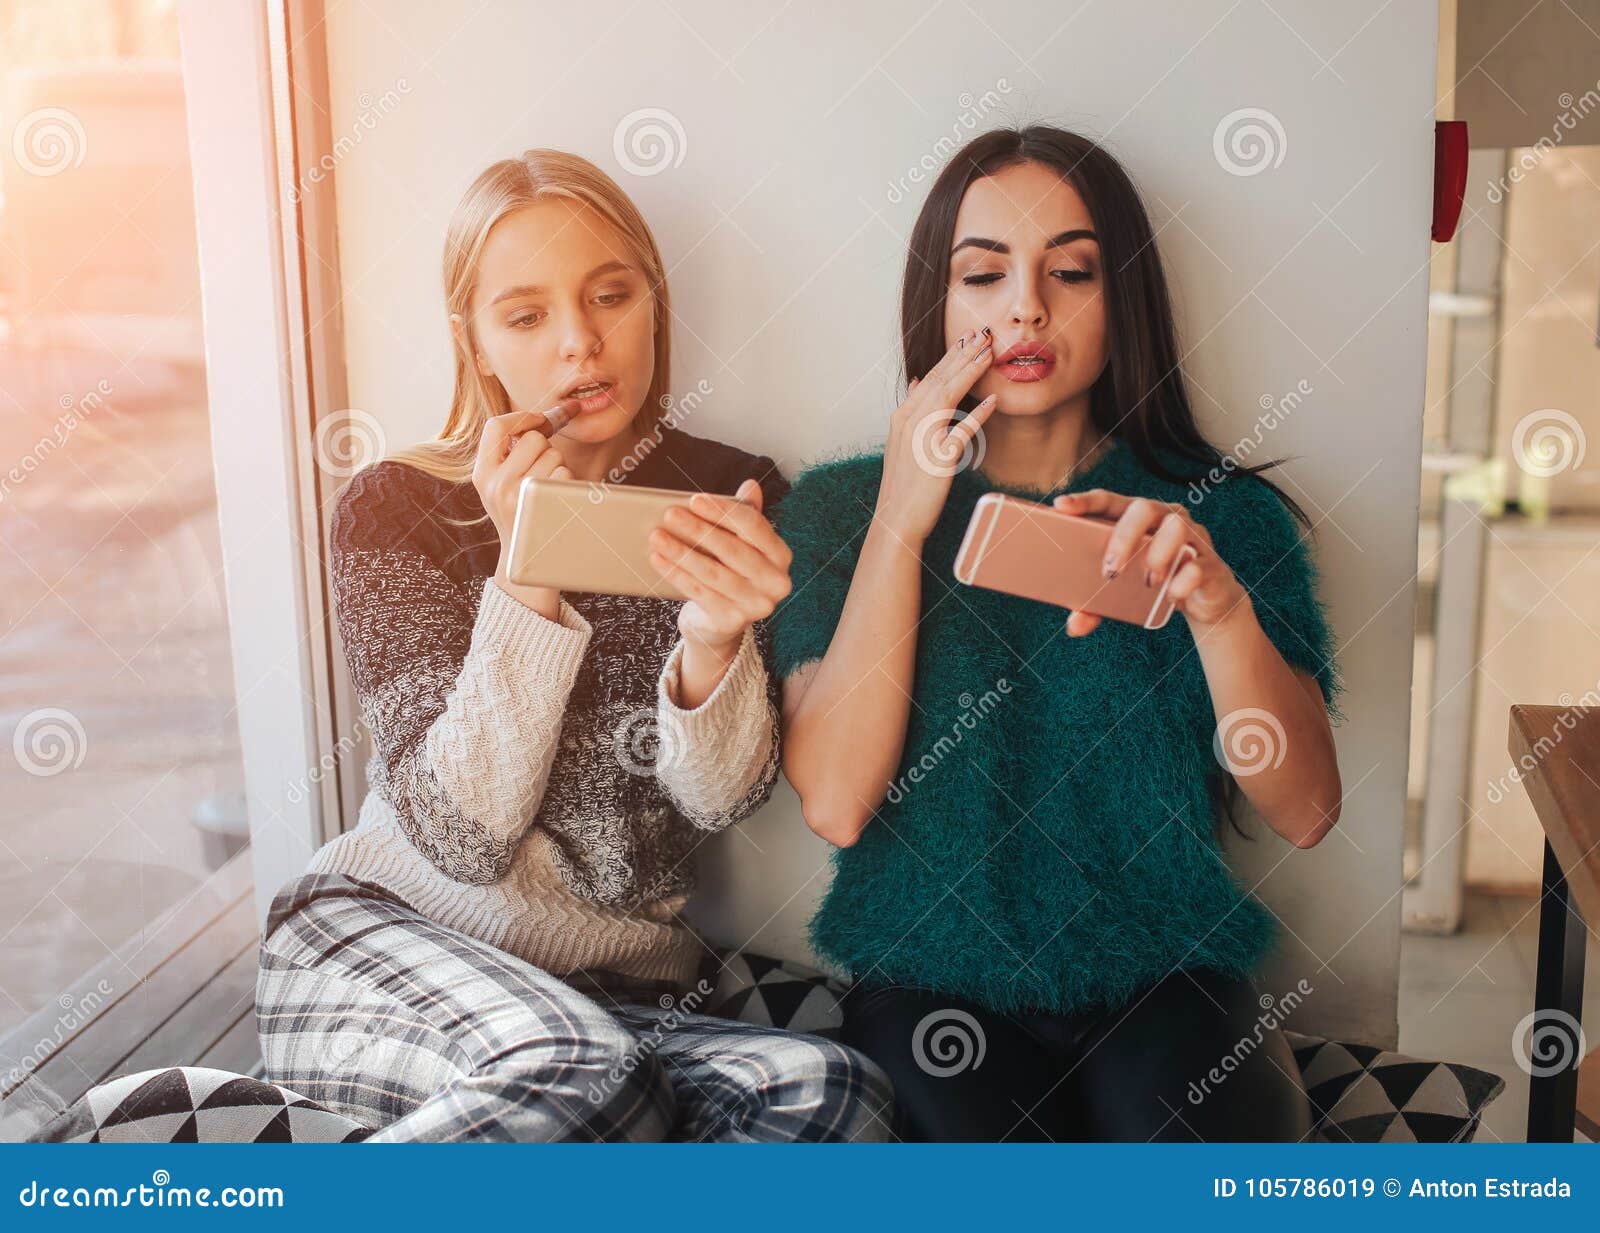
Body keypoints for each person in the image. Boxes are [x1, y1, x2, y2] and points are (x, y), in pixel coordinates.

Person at [255, 148, 891, 1143]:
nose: (580, 346)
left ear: (653, 302)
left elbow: (718, 798)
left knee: (830, 1094)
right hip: (387, 938)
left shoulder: (729, 493)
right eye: (526, 316)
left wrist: (715, 635)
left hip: (618, 995)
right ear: (473, 342)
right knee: (578, 1081)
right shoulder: (394, 508)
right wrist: (527, 567)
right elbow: (463, 838)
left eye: (610, 296)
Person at [774, 125, 1343, 1142]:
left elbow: (1305, 811)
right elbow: (835, 803)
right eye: (984, 275)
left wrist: (1215, 608)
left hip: (1167, 976)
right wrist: (903, 518)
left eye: (1069, 271)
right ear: (936, 305)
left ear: (1121, 298)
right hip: (928, 984)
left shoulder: (1224, 517)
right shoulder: (832, 511)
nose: (1025, 306)